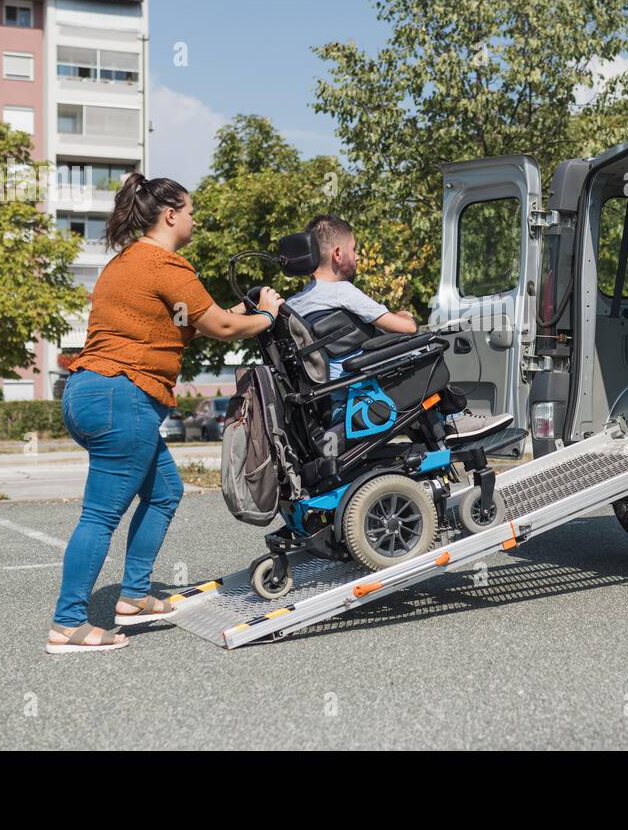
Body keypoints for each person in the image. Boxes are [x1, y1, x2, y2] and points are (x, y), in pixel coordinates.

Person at [46, 173, 283, 654]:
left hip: (90, 389)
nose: (194, 219)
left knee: (166, 490)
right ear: (171, 215)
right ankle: (68, 622)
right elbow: (218, 326)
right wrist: (267, 316)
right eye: (191, 211)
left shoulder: (125, 263)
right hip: (122, 394)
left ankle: (133, 595)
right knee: (100, 515)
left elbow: (184, 322)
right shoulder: (167, 264)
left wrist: (240, 309)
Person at [285, 214, 509, 443]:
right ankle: (454, 419)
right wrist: (404, 317)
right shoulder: (342, 292)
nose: (358, 256)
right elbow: (406, 327)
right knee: (425, 348)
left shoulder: (293, 305)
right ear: (338, 254)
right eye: (354, 249)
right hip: (362, 397)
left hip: (329, 403)